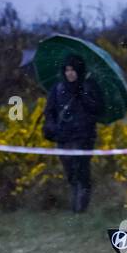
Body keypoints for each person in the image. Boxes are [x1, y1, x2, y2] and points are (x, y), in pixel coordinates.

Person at [42, 54, 104, 213]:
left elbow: (97, 110)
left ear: (79, 71)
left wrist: (82, 94)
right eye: (67, 70)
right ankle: (75, 202)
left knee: (82, 169)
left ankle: (79, 209)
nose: (70, 73)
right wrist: (51, 127)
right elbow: (50, 111)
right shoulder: (58, 88)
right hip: (63, 136)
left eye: (73, 70)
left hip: (84, 136)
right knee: (70, 171)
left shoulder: (89, 86)